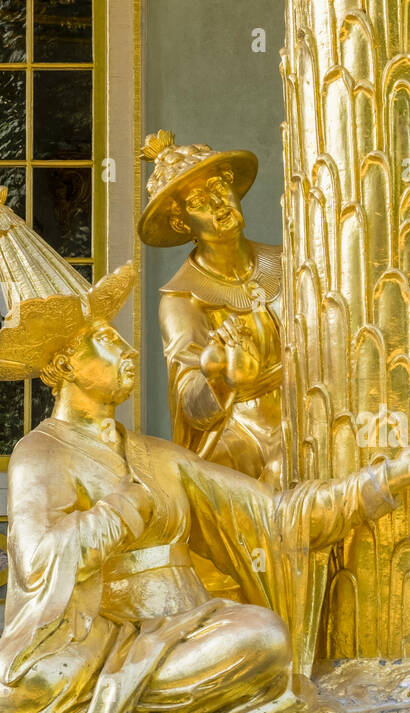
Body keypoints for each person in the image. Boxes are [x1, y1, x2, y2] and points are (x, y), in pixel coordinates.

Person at [0, 180, 410, 713]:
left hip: (185, 630)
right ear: (64, 364)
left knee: (263, 638)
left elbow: (277, 514)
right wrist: (123, 510)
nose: (127, 353)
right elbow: (39, 561)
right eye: (107, 342)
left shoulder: (158, 455)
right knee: (25, 678)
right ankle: (61, 712)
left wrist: (396, 473)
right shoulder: (39, 454)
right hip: (92, 639)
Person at [138, 130, 286, 488]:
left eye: (220, 188)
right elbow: (191, 405)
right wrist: (223, 378)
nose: (219, 203)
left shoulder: (288, 262)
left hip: (308, 407)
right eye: (199, 201)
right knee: (285, 466)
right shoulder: (181, 299)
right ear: (180, 222)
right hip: (241, 430)